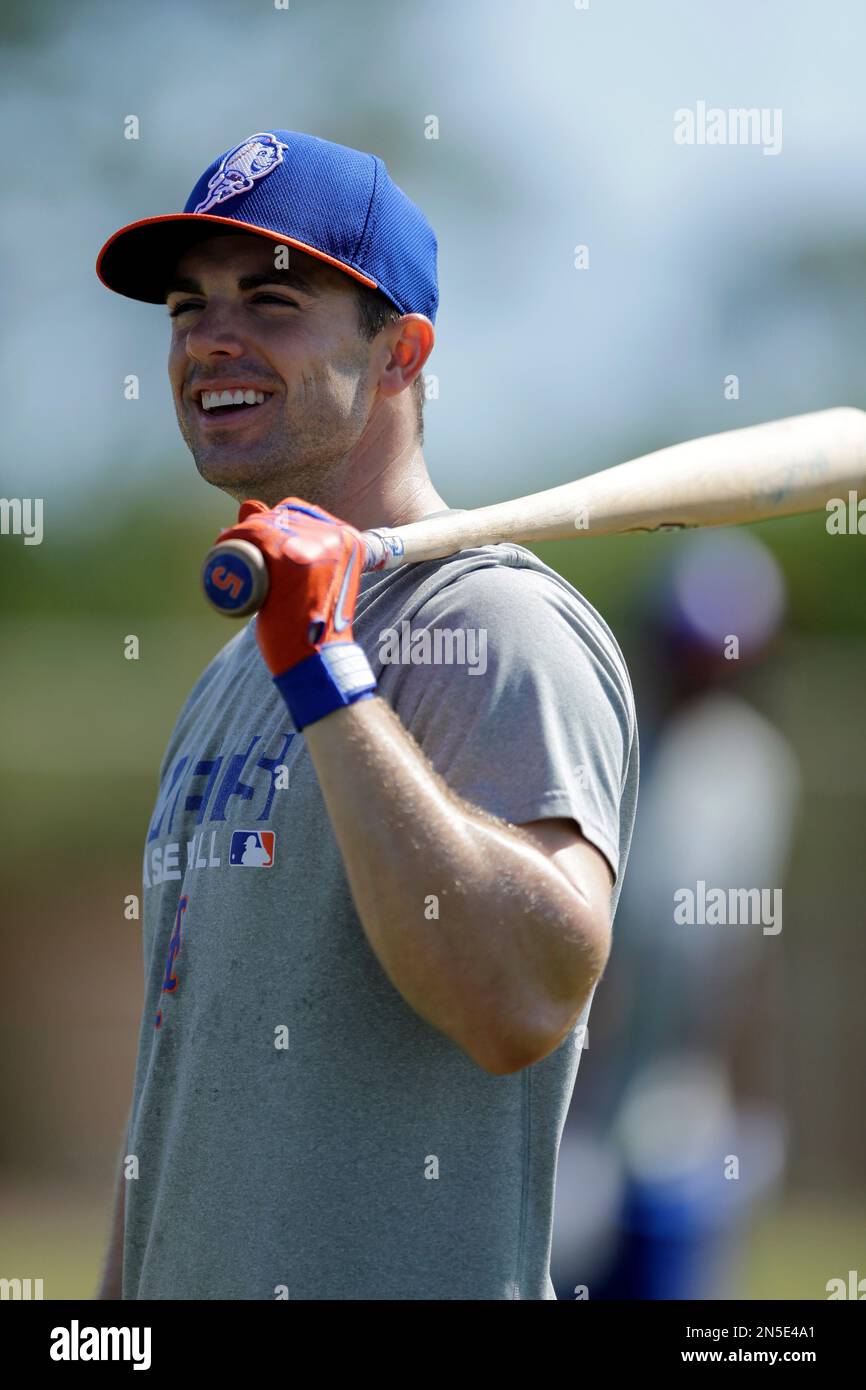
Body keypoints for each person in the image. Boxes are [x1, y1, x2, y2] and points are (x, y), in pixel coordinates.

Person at [94, 129, 639, 1300]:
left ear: (400, 353)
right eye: (188, 307)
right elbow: (174, 1101)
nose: (210, 339)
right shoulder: (240, 667)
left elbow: (522, 1000)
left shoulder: (496, 627)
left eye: (273, 300)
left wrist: (328, 672)